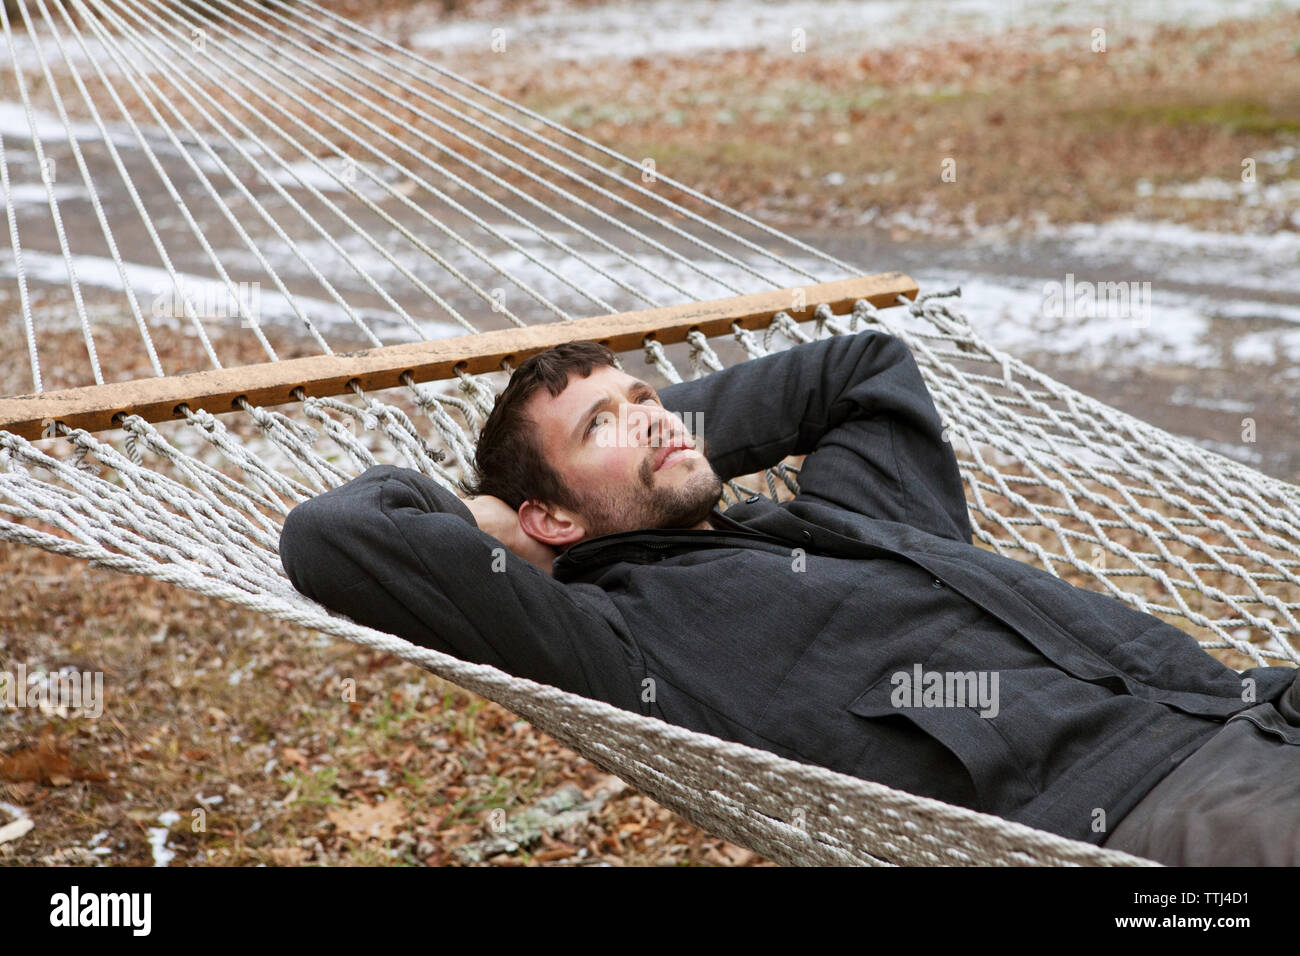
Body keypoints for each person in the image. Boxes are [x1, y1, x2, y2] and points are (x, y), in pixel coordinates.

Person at [278, 330, 1300, 864]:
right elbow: (333, 535)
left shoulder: (841, 518)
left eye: (646, 398)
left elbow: (862, 372)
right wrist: (489, 517)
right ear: (550, 516)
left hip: (1237, 707)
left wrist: (663, 434)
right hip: (1151, 816)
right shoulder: (612, 633)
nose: (649, 418)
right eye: (600, 426)